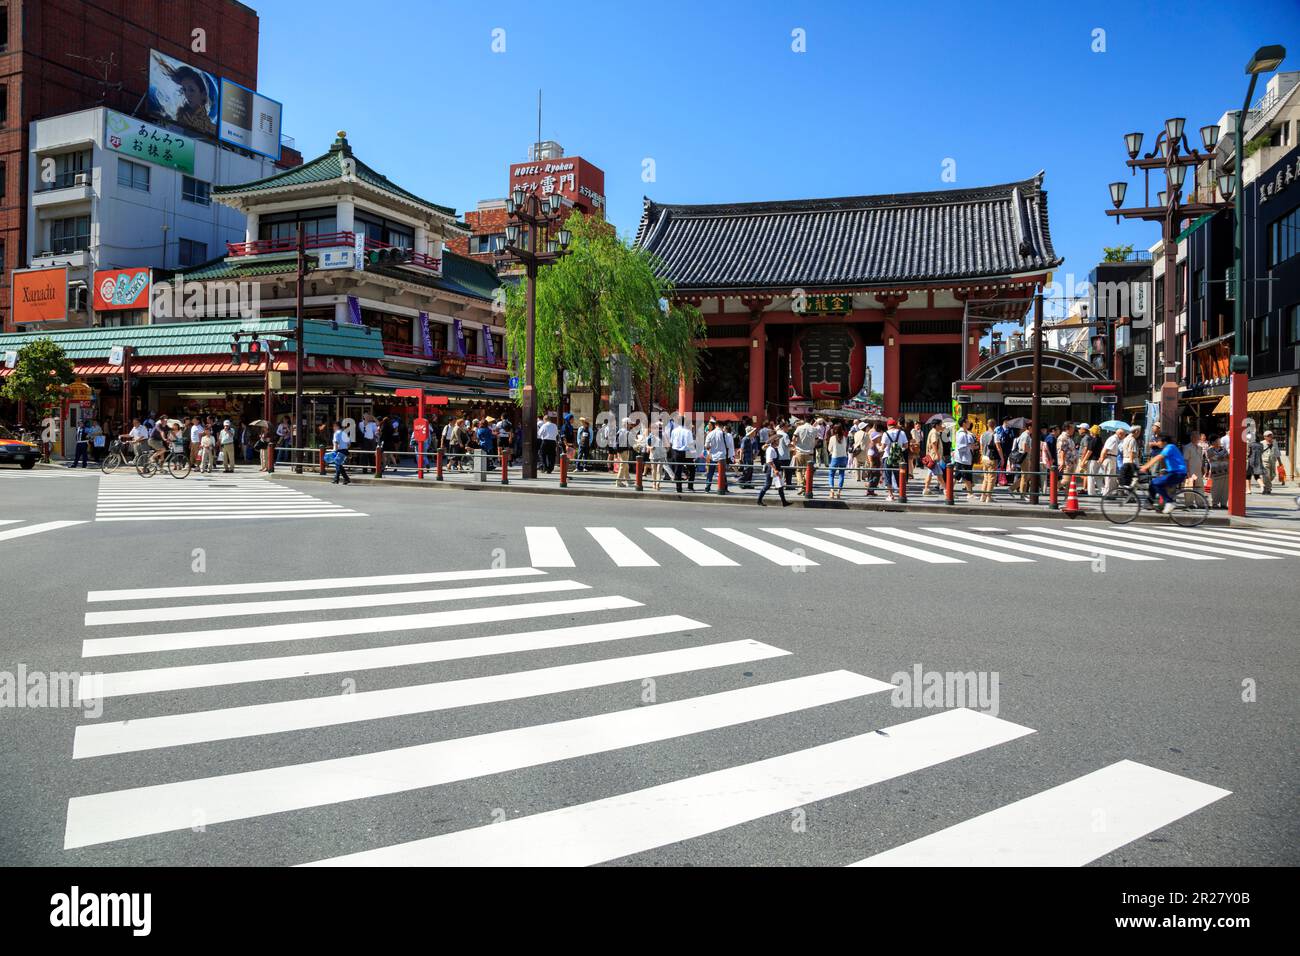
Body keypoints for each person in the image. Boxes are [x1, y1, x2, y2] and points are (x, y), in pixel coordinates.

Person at [1138, 433, 1188, 513]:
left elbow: (1158, 457)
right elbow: (1167, 461)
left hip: (1178, 473)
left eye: (1158, 441)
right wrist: (1164, 470)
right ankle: (1151, 503)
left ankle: (1169, 502)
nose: (1157, 443)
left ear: (1164, 442)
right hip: (1173, 472)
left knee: (1156, 483)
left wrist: (1145, 466)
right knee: (1153, 483)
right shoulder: (1168, 448)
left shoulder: (1170, 447)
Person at [756, 434, 791, 507]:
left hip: (775, 468)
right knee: (767, 485)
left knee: (780, 485)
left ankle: (784, 502)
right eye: (778, 440)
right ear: (774, 441)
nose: (779, 442)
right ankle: (759, 500)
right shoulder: (770, 449)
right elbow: (769, 461)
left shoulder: (775, 448)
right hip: (771, 468)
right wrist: (775, 469)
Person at [880, 418, 908, 501]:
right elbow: (906, 446)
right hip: (898, 458)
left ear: (888, 425)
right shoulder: (902, 433)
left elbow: (883, 447)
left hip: (887, 457)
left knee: (887, 475)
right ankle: (901, 494)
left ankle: (890, 495)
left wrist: (879, 447)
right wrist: (899, 449)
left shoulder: (886, 433)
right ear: (896, 425)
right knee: (899, 476)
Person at [703, 419, 735, 493]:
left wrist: (711, 448)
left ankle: (707, 487)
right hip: (722, 456)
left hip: (712, 455)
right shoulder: (724, 434)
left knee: (710, 472)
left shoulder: (710, 434)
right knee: (722, 473)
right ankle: (724, 488)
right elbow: (728, 445)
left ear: (715, 425)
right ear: (721, 426)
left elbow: (706, 446)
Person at [792, 417, 818, 493]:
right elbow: (816, 440)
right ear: (812, 421)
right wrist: (813, 445)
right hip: (810, 452)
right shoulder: (814, 429)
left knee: (798, 470)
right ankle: (804, 484)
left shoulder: (799, 428)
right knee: (808, 470)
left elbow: (794, 438)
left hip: (799, 451)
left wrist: (795, 445)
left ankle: (801, 484)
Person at [952, 418, 976, 500]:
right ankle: (969, 493)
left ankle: (949, 491)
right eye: (968, 421)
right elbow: (960, 447)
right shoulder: (962, 434)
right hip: (963, 459)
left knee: (958, 476)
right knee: (966, 477)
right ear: (964, 423)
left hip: (962, 459)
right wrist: (970, 446)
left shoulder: (963, 433)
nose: (969, 423)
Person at [670, 416, 695, 493]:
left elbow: (671, 442)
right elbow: (690, 444)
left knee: (678, 470)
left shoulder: (674, 431)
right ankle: (690, 486)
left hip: (676, 452)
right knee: (692, 469)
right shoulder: (688, 431)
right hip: (686, 452)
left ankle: (679, 488)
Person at [826, 423, 849, 499]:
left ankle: (832, 491)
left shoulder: (832, 438)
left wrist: (831, 451)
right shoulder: (844, 438)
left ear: (835, 430)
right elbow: (845, 447)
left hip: (835, 457)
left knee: (831, 474)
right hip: (843, 457)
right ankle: (839, 492)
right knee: (841, 474)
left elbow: (829, 449)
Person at [922, 419, 944, 495]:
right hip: (934, 457)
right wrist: (937, 454)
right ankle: (947, 490)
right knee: (939, 474)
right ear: (937, 425)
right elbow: (934, 444)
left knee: (930, 473)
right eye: (941, 424)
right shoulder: (934, 432)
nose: (942, 426)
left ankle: (926, 489)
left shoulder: (933, 432)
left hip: (931, 456)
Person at [330, 420, 352, 484]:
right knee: (338, 465)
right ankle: (336, 479)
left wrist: (335, 451)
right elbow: (349, 443)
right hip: (344, 450)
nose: (333, 428)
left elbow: (336, 442)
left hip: (339, 450)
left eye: (334, 426)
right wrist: (345, 447)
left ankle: (346, 478)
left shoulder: (336, 433)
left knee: (338, 465)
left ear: (336, 426)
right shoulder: (344, 433)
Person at [739, 425, 760, 489]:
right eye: (753, 431)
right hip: (746, 456)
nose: (755, 432)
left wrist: (755, 455)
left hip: (750, 456)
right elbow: (742, 449)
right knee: (747, 469)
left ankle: (748, 483)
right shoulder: (745, 439)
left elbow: (756, 449)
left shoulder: (753, 439)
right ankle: (741, 481)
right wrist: (740, 458)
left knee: (750, 470)